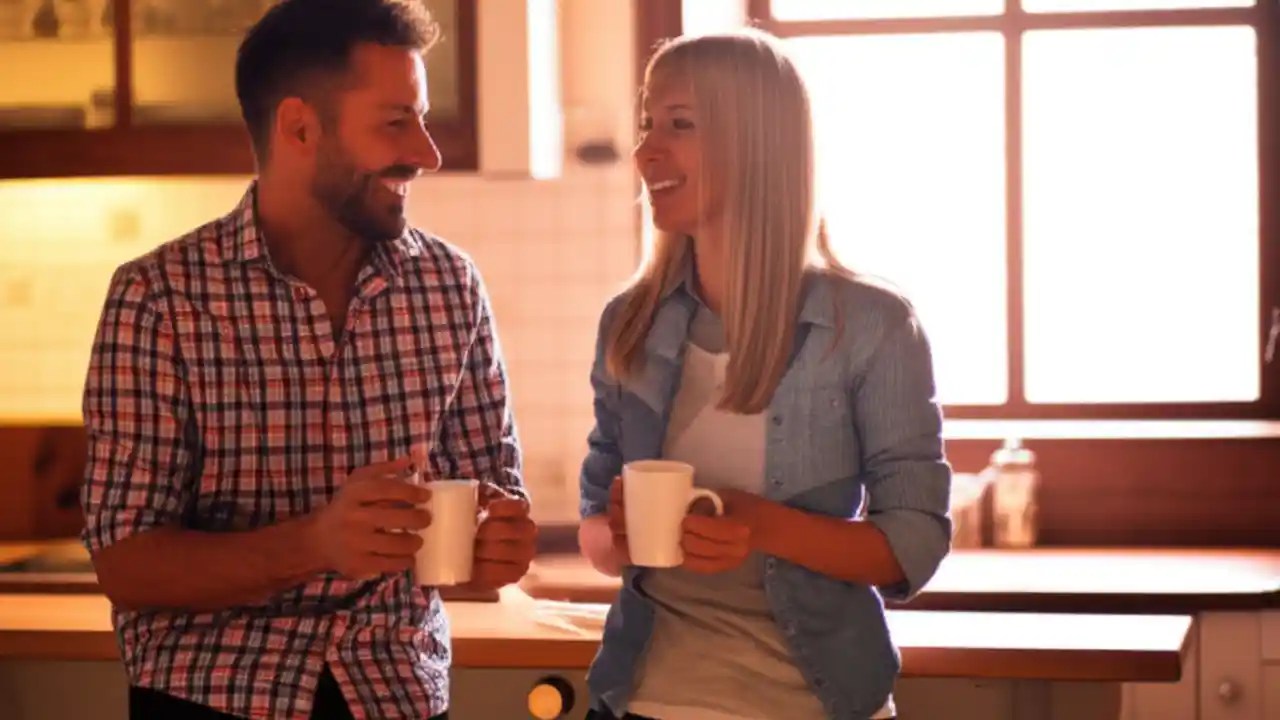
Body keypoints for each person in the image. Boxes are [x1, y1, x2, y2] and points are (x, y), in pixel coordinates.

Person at [79, 1, 536, 718]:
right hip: (214, 698)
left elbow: (487, 516)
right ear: (300, 127)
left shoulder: (451, 287)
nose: (427, 150)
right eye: (396, 121)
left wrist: (499, 547)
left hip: (397, 698)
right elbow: (124, 562)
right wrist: (317, 543)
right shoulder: (160, 296)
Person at [577, 29, 953, 720]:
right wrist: (618, 536)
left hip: (814, 703)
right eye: (646, 124)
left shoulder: (870, 326)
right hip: (643, 702)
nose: (644, 150)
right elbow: (596, 521)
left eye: (680, 125)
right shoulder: (629, 322)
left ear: (756, 144)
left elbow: (915, 546)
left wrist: (762, 527)